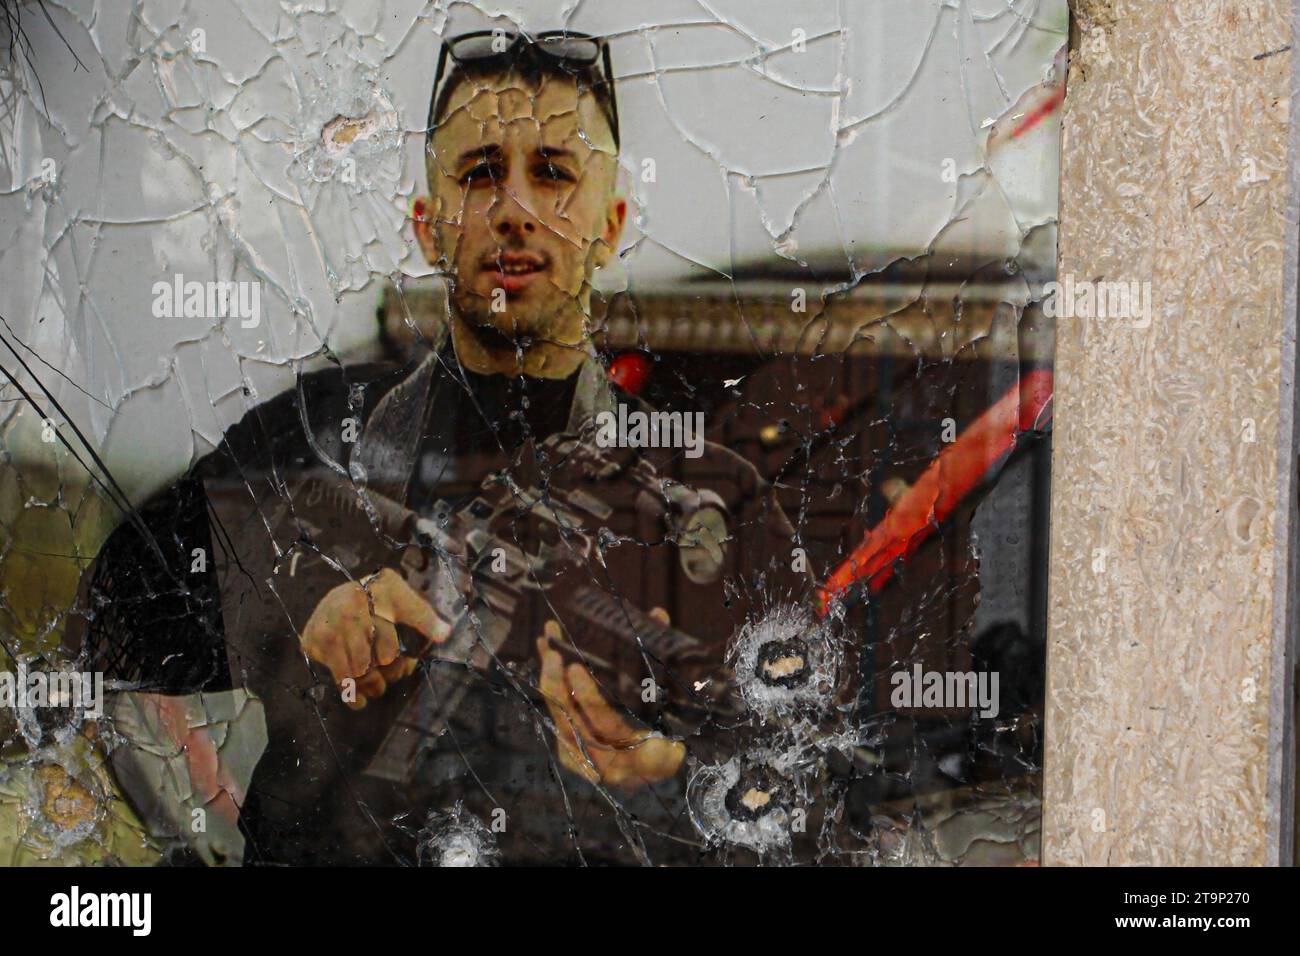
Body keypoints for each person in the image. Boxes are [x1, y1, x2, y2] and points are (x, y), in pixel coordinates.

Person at [71, 29, 814, 865]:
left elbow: (822, 775)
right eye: (480, 172)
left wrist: (673, 773)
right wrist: (298, 593)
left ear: (610, 226)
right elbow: (109, 621)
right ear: (428, 227)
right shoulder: (313, 436)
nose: (516, 208)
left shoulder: (717, 492)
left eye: (555, 173)